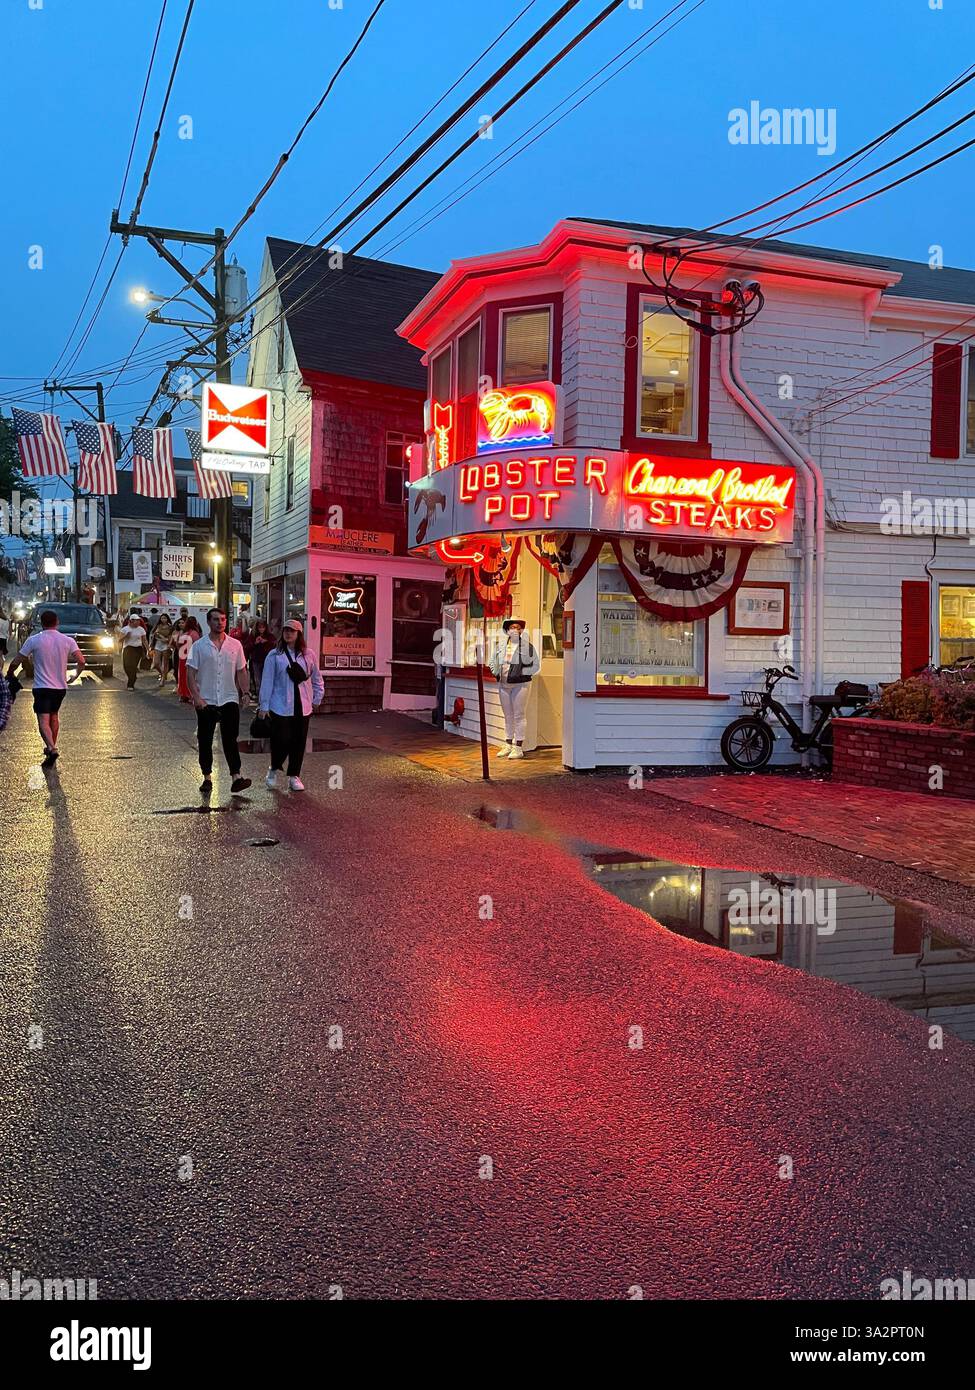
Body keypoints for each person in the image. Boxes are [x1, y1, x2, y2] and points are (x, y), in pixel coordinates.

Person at [186, 607, 252, 796]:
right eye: (216, 619)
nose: (220, 622)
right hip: (206, 699)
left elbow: (241, 671)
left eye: (223, 619)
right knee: (205, 740)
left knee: (230, 738)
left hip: (229, 697)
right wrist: (196, 697)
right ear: (208, 622)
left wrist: (245, 692)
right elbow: (190, 673)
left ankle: (236, 776)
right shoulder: (199, 646)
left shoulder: (235, 645)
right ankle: (207, 777)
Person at [9, 608, 86, 767]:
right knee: (54, 716)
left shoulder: (34, 640)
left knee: (43, 720)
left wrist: (10, 673)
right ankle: (51, 746)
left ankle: (52, 747)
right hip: (60, 687)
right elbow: (81, 661)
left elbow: (17, 660)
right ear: (57, 622)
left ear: (42, 623)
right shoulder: (68, 640)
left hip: (42, 687)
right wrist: (75, 675)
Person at [258, 619, 324, 792]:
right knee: (281, 741)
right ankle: (273, 769)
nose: (288, 633)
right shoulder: (275, 655)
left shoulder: (309, 655)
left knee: (299, 741)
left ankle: (294, 775)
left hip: (303, 705)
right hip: (280, 705)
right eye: (286, 630)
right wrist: (263, 705)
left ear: (299, 634)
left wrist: (317, 697)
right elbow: (267, 681)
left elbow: (316, 677)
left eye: (292, 631)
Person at [491, 617, 539, 760]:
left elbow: (535, 666)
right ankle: (508, 744)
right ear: (507, 630)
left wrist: (520, 674)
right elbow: (492, 661)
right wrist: (496, 672)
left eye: (518, 628)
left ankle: (518, 747)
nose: (515, 630)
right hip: (503, 684)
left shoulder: (528, 647)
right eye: (512, 627)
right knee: (508, 715)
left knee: (519, 715)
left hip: (520, 685)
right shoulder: (500, 646)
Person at [174, 615, 201, 702]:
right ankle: (190, 694)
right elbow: (197, 646)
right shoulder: (195, 634)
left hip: (182, 656)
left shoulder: (183, 633)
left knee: (181, 675)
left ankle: (182, 694)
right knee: (191, 676)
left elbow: (177, 645)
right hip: (191, 657)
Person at [118, 612, 149, 690]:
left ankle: (130, 684)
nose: (138, 622)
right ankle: (132, 677)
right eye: (136, 621)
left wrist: (148, 649)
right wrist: (126, 636)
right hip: (128, 648)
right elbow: (120, 640)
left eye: (139, 621)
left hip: (137, 649)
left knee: (133, 666)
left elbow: (144, 640)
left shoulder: (141, 629)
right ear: (131, 621)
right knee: (127, 666)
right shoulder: (125, 629)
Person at [248, 618, 275, 692]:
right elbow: (248, 647)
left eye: (263, 627)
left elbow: (274, 646)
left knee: (266, 679)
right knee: (258, 680)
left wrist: (266, 642)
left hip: (267, 660)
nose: (261, 629)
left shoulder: (270, 636)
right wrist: (255, 643)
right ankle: (259, 696)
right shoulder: (253, 635)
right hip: (256, 660)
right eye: (259, 627)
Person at [150, 612, 174, 685]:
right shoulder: (158, 626)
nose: (164, 619)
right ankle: (163, 674)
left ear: (167, 619)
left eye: (165, 618)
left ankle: (163, 679)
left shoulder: (170, 627)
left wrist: (167, 640)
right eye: (162, 618)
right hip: (158, 645)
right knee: (156, 663)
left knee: (165, 663)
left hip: (166, 645)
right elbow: (153, 634)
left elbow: (172, 636)